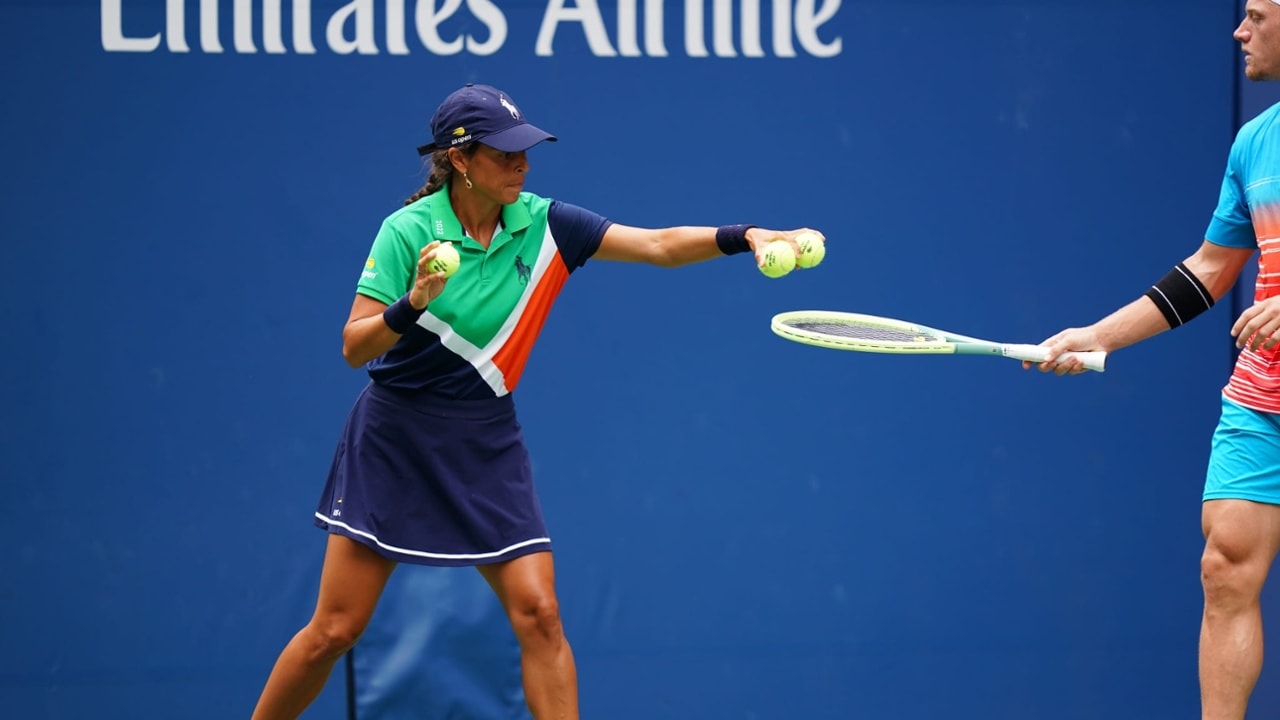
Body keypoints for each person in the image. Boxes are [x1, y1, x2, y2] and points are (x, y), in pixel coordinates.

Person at [249, 82, 823, 720]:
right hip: (396, 435)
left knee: (541, 614)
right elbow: (355, 347)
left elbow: (659, 246)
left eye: (526, 151)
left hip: (485, 437)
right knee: (335, 630)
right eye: (504, 154)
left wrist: (745, 235)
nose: (522, 164)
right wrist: (413, 302)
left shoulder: (549, 225)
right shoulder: (407, 231)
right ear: (460, 160)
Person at [1026, 2, 1280, 718]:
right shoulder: (1256, 142)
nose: (1238, 29)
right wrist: (1100, 335)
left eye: (1257, 14)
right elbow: (1209, 269)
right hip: (1264, 401)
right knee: (1225, 568)